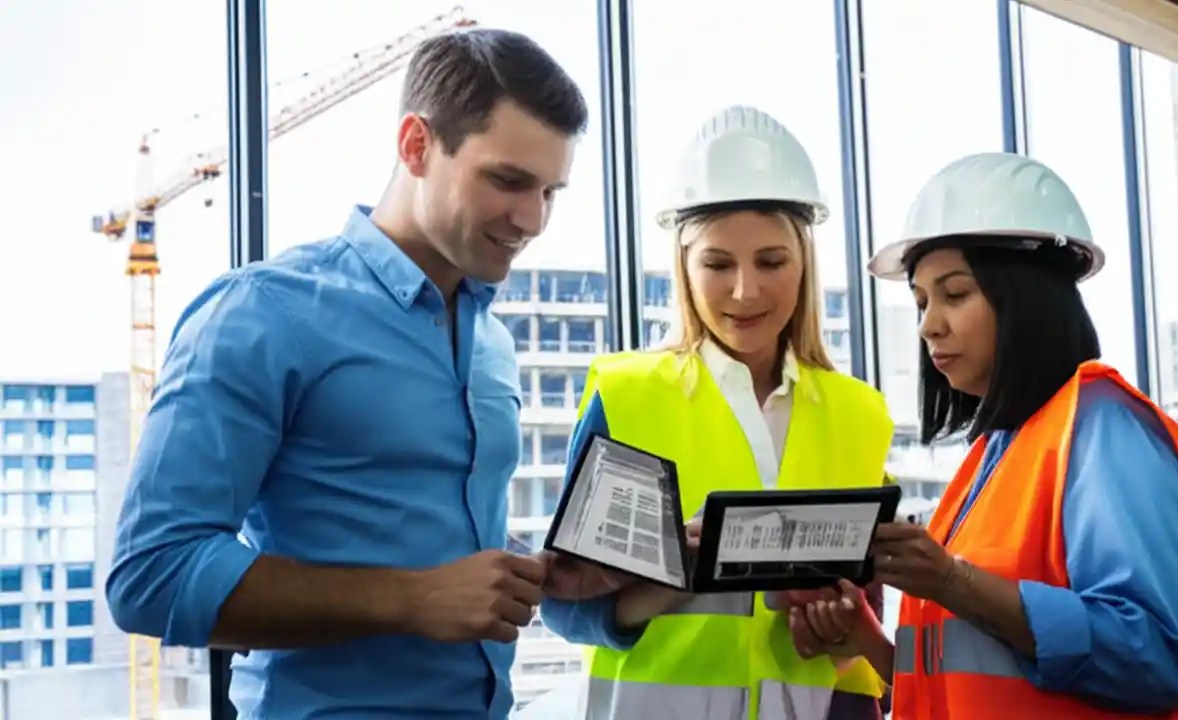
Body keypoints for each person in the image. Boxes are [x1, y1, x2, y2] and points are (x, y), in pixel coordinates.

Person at [106, 28, 615, 720]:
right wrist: (413, 599)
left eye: (551, 191)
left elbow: (426, 538)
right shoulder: (262, 314)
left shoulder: (491, 339)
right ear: (415, 145)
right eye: (508, 180)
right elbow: (151, 574)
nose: (531, 219)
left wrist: (540, 573)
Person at [787, 152, 1178, 719]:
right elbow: (978, 683)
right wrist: (867, 643)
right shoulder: (999, 453)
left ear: (1026, 297)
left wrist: (955, 581)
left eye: (955, 294)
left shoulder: (1106, 434)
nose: (928, 324)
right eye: (921, 300)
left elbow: (1152, 656)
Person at [539, 105, 896, 720]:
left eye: (771, 261)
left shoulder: (860, 414)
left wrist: (839, 626)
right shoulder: (629, 398)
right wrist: (673, 576)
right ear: (684, 263)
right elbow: (566, 608)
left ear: (804, 260)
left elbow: (865, 615)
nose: (744, 291)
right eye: (718, 263)